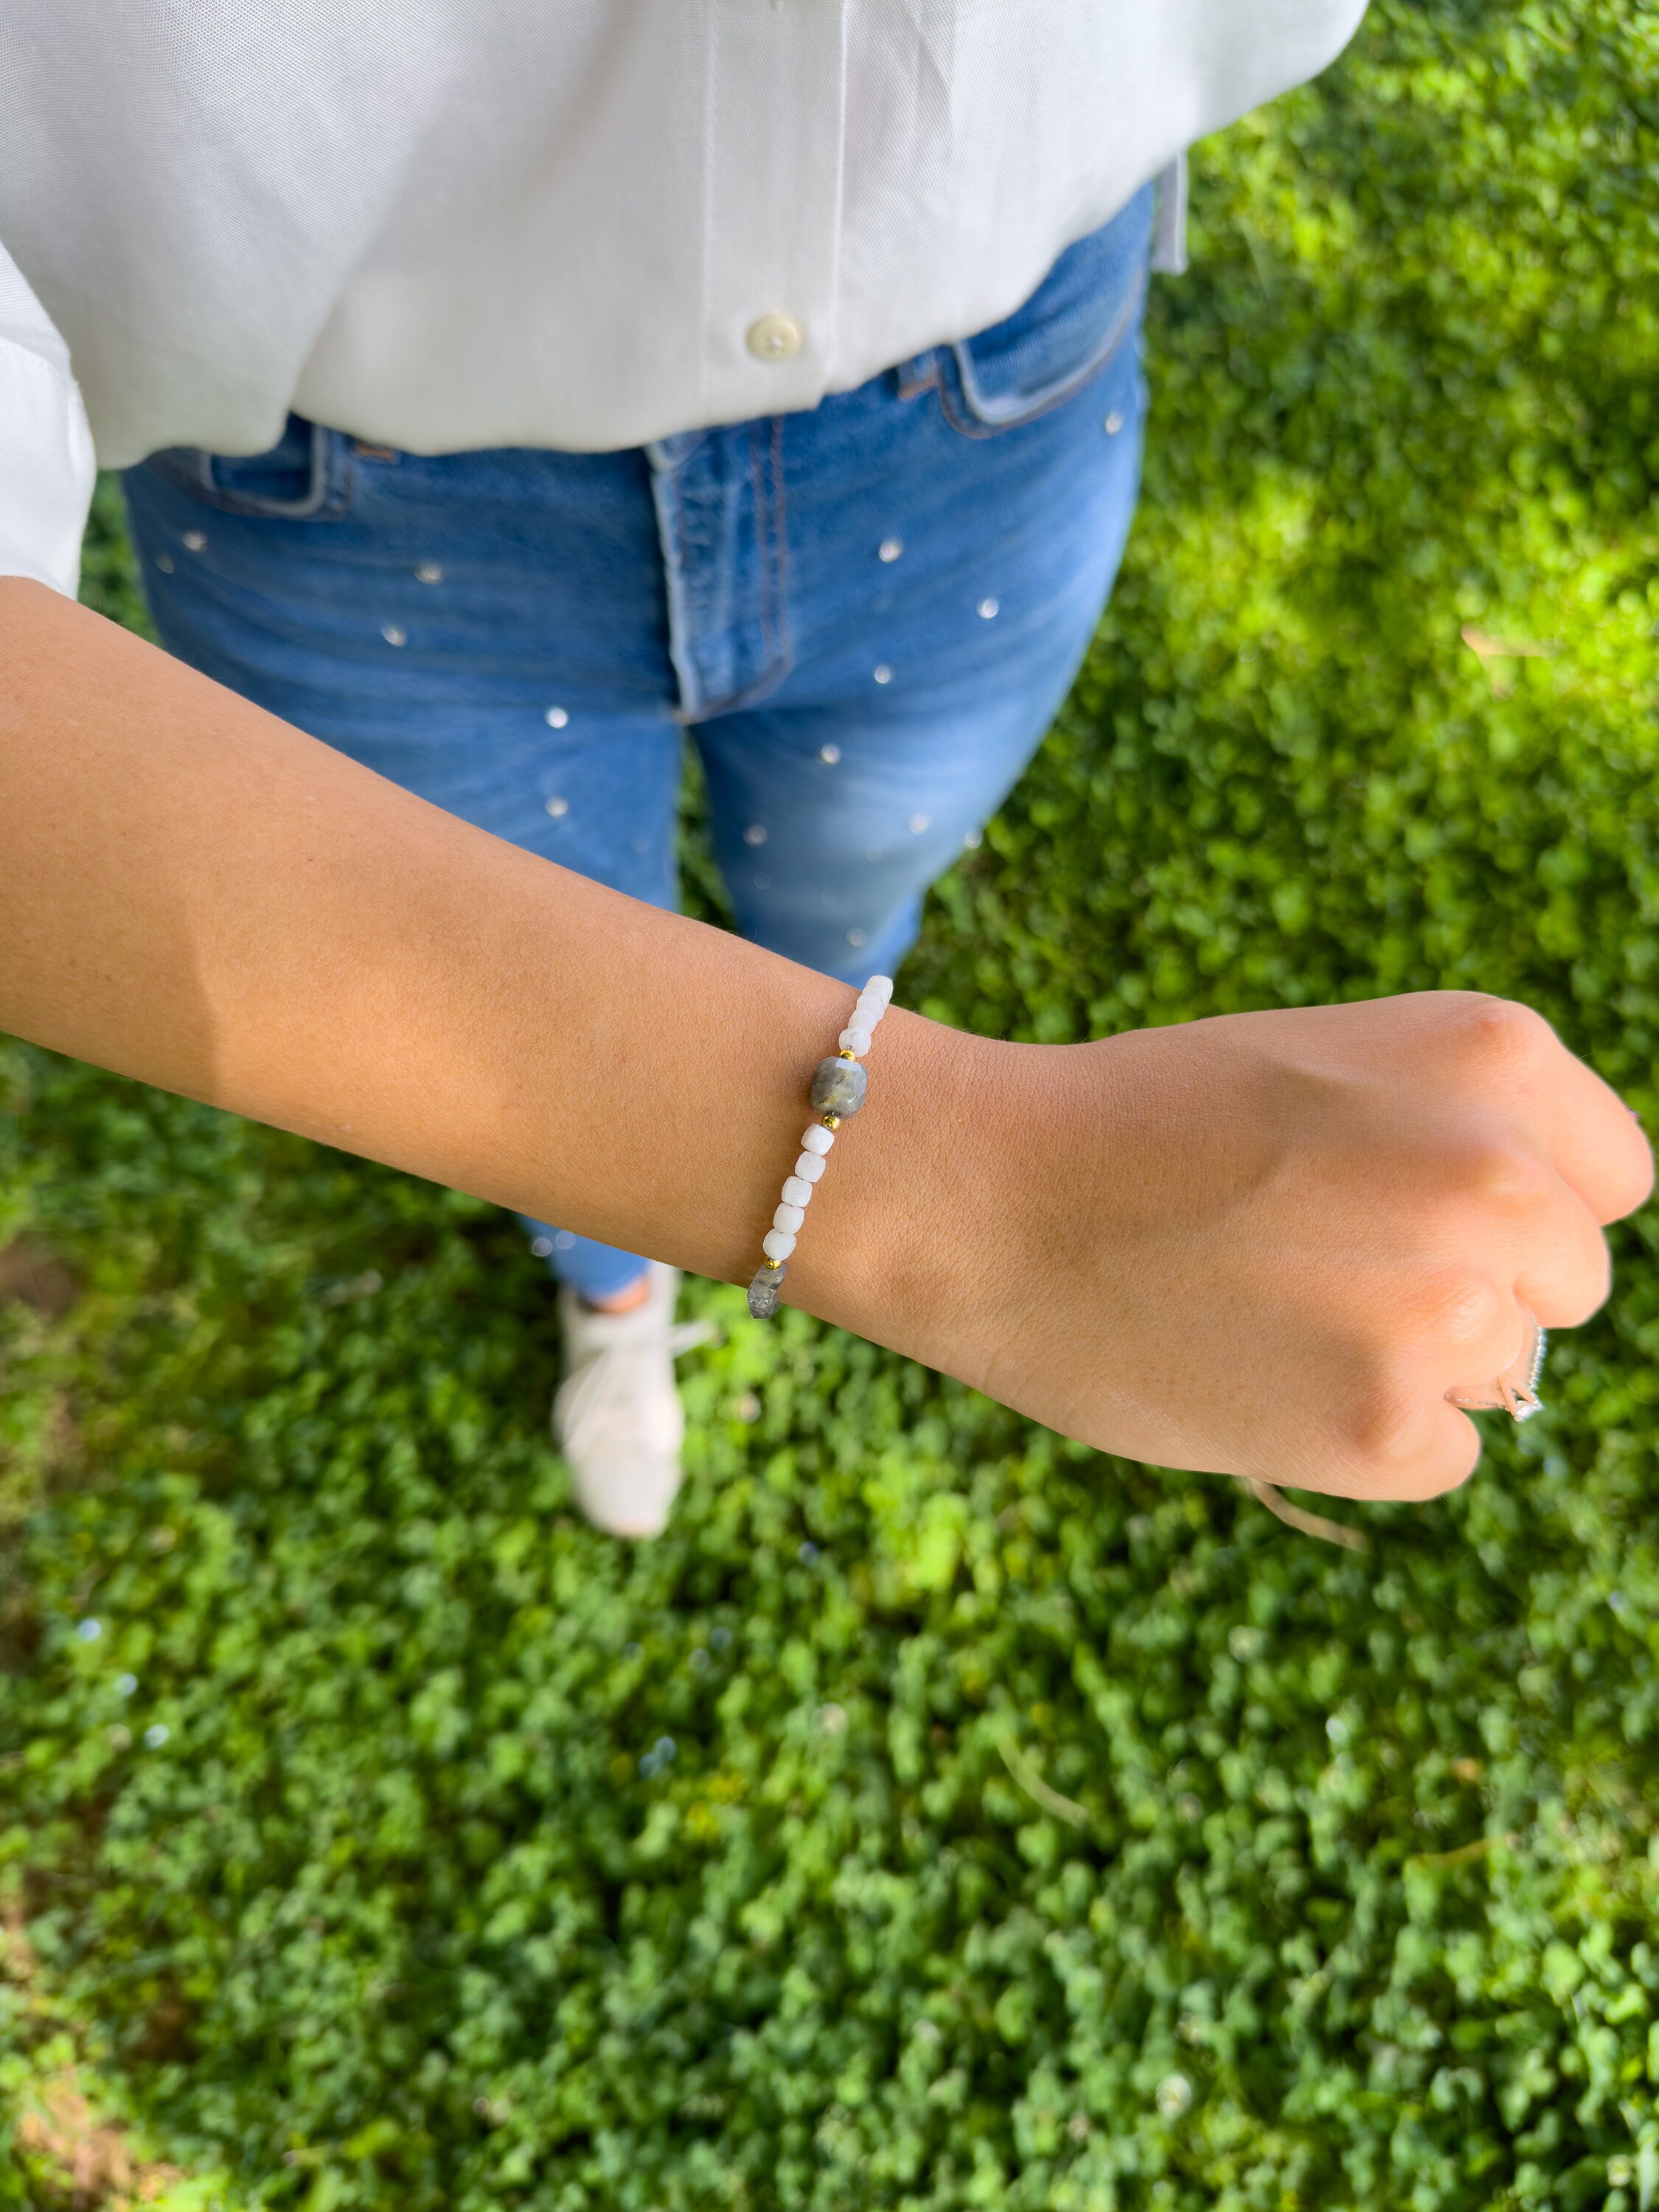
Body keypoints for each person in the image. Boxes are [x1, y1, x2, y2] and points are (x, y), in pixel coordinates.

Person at [0, 4, 1649, 1538]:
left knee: (846, 897)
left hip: (985, 390)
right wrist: (975, 1195)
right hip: (352, 473)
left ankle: (788, 1085)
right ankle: (618, 1281)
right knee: (551, 979)